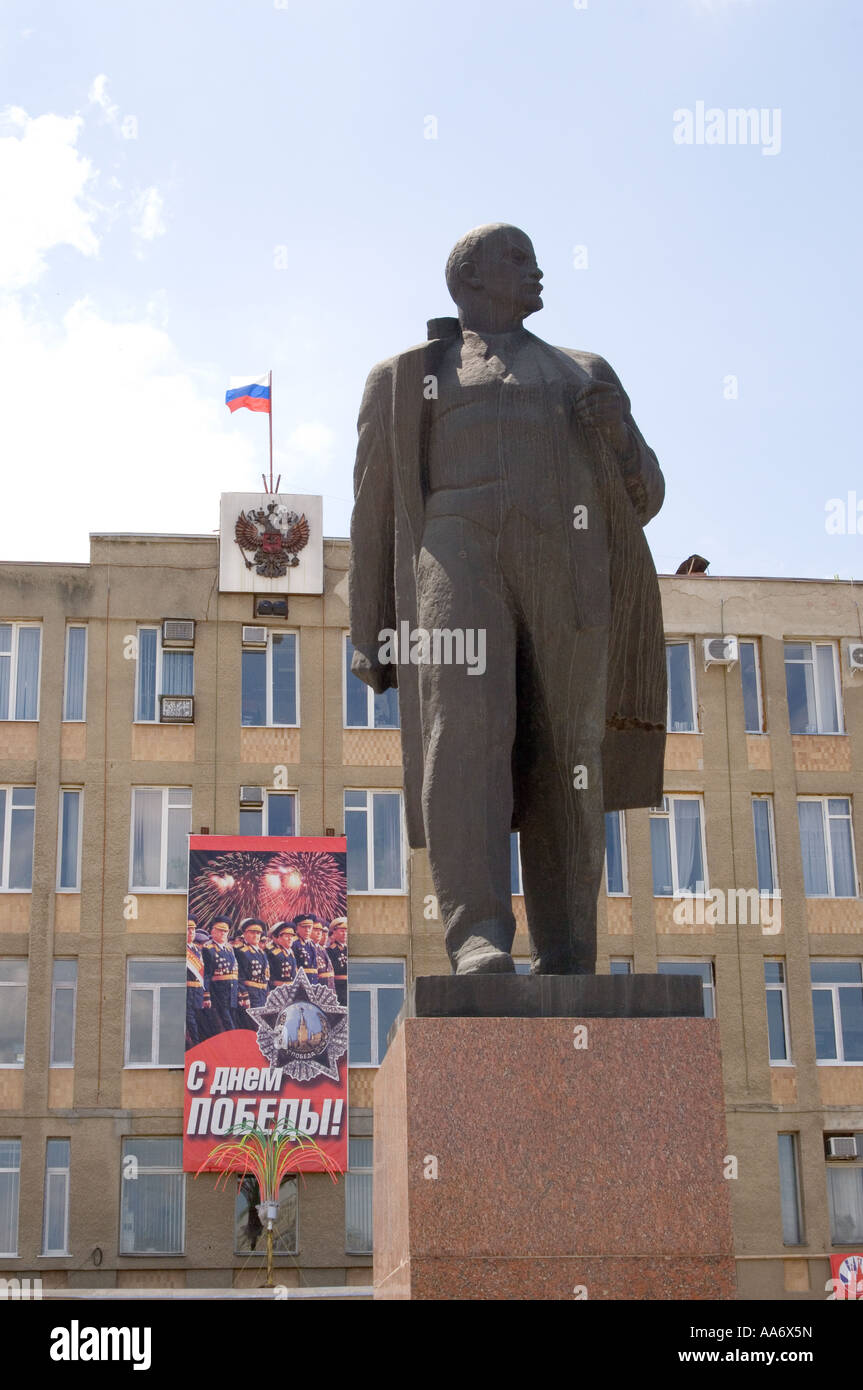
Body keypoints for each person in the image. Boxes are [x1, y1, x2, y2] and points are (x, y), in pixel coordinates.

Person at [349, 223, 666, 975]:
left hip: (568, 561)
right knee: (462, 737)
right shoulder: (405, 376)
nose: (536, 270)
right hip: (454, 561)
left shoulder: (581, 370)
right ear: (470, 280)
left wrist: (617, 433)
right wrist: (369, 629)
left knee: (569, 749)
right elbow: (372, 509)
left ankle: (566, 948)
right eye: (517, 258)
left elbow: (644, 496)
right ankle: (478, 936)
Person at [200, 917, 239, 1033]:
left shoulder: (229, 948)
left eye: (225, 931)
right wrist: (206, 995)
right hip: (218, 991)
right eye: (220, 930)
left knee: (233, 1019)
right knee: (225, 1023)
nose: (223, 933)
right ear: (213, 931)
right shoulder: (208, 949)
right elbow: (206, 974)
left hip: (232, 991)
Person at [234, 918, 270, 1029]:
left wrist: (267, 992)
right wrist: (244, 995)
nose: (256, 936)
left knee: (262, 1023)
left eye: (258, 933)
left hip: (262, 993)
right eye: (252, 932)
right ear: (244, 934)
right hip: (250, 993)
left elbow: (266, 976)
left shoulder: (262, 953)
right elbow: (239, 977)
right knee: (252, 1024)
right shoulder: (242, 952)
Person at [186, 917, 211, 1046]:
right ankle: (195, 1045)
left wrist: (206, 995)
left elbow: (204, 973)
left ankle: (199, 1044)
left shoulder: (197, 950)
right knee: (190, 1021)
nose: (191, 932)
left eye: (193, 929)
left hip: (198, 991)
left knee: (199, 1019)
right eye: (188, 929)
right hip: (186, 991)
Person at [265, 921, 297, 990]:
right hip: (277, 990)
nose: (290, 939)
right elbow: (268, 977)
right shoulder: (270, 952)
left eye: (291, 936)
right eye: (287, 936)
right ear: (278, 937)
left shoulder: (290, 952)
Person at [290, 914, 319, 984]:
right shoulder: (294, 943)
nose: (307, 930)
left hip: (313, 981)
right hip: (300, 983)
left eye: (310, 927)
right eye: (304, 927)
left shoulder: (312, 943)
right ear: (297, 928)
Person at [327, 918, 348, 1005]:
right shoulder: (331, 950)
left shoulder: (348, 949)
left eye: (346, 931)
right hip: (339, 987)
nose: (345, 934)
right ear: (334, 933)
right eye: (342, 931)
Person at [312, 921, 335, 992]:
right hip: (318, 989)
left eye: (320, 931)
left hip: (329, 988)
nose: (319, 933)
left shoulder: (322, 949)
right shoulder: (309, 948)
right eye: (316, 930)